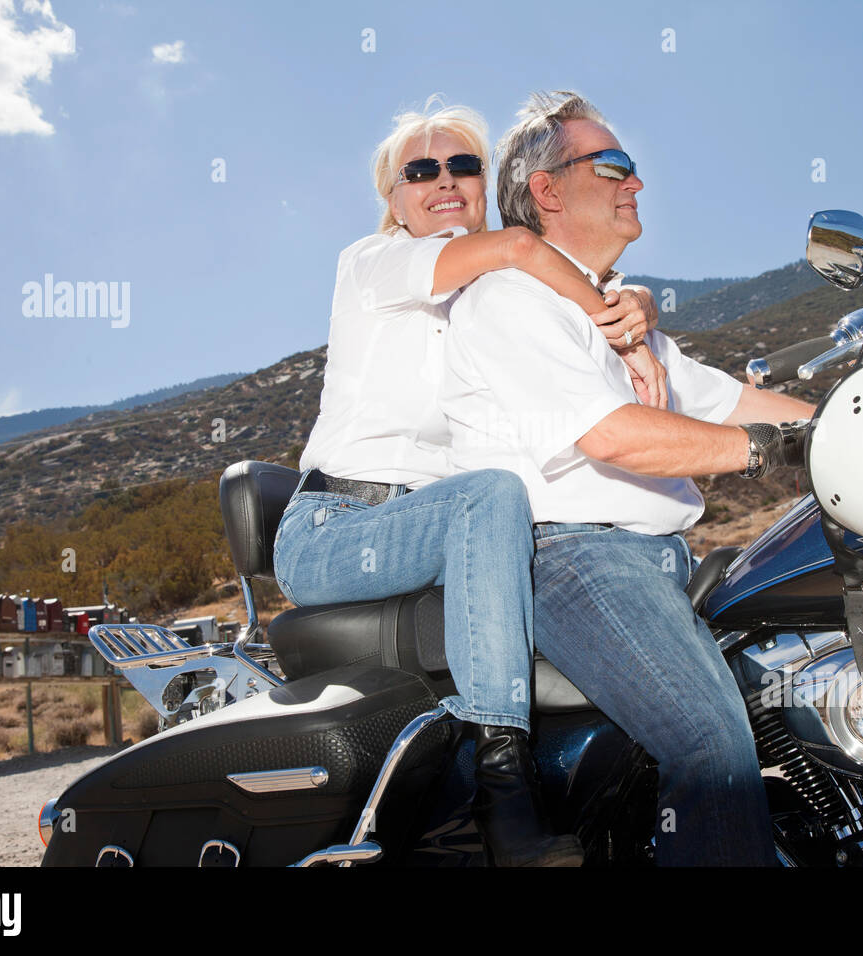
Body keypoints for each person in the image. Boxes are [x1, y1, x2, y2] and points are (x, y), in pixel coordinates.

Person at [272, 98, 665, 866]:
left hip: (432, 531)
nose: (443, 180)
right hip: (336, 527)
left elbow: (565, 272)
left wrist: (632, 303)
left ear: (484, 180)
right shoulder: (375, 262)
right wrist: (622, 331)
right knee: (492, 493)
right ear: (393, 199)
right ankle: (502, 790)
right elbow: (524, 247)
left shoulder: (499, 292)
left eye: (463, 164)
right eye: (420, 170)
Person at [439, 91, 816, 866]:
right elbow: (612, 437)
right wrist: (763, 450)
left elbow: (740, 400)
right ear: (546, 190)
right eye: (614, 166)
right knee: (711, 749)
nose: (635, 183)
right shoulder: (511, 299)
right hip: (577, 558)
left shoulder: (621, 323)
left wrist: (862, 416)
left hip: (656, 563)